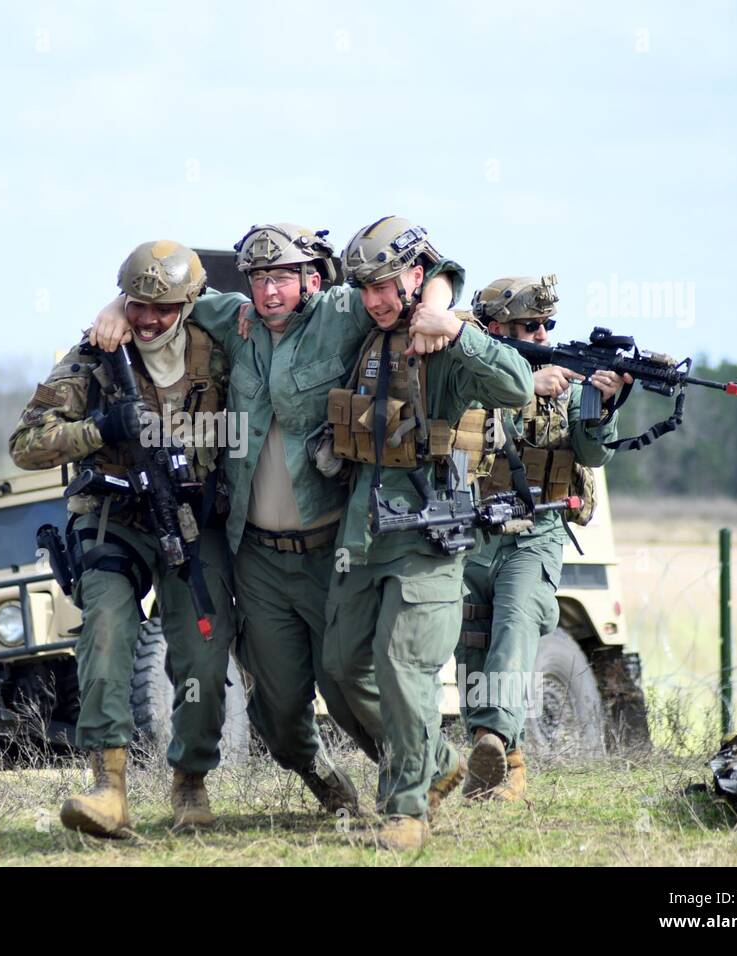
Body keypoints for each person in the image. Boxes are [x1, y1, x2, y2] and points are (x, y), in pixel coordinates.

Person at [91, 221, 463, 815]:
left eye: (282, 278)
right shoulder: (233, 322)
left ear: (310, 279)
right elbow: (161, 294)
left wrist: (440, 306)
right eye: (259, 278)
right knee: (278, 709)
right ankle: (326, 782)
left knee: (349, 684)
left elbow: (429, 272)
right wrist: (114, 305)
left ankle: (424, 771)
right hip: (257, 555)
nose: (268, 292)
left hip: (330, 547)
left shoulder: (345, 313)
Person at [320, 217, 534, 850]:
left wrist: (451, 326)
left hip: (429, 529)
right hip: (365, 527)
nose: (374, 301)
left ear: (414, 278)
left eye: (385, 286)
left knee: (404, 665)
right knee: (338, 669)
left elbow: (518, 385)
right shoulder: (367, 329)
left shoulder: (444, 343)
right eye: (365, 289)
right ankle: (437, 761)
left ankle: (406, 808)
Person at [8, 240, 235, 836]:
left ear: (189, 304)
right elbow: (26, 445)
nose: (149, 320)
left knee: (203, 657)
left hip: (195, 520)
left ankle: (190, 781)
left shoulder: (223, 348)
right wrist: (98, 429)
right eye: (137, 305)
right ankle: (109, 787)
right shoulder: (95, 357)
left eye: (163, 309)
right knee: (107, 629)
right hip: (114, 517)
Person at [458, 275, 627, 800]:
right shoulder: (466, 373)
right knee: (472, 648)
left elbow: (594, 455)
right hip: (472, 527)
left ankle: (491, 736)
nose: (541, 334)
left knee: (515, 627)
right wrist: (524, 389)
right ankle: (506, 762)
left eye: (546, 325)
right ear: (494, 329)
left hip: (538, 528)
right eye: (528, 326)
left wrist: (604, 405)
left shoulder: (569, 383)